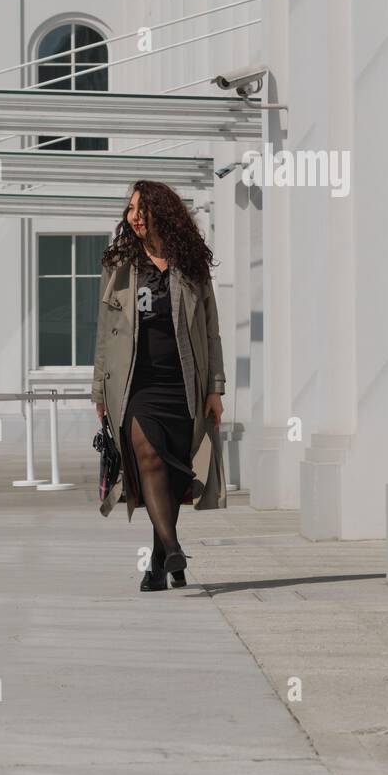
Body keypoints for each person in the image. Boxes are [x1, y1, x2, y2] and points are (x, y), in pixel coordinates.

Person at [91, 181, 226, 591]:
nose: (133, 216)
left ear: (161, 214)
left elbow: (211, 331)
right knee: (147, 457)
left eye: (141, 209)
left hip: (183, 383)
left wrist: (215, 388)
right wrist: (99, 389)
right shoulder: (119, 266)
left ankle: (158, 564)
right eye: (130, 209)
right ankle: (173, 548)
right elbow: (104, 332)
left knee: (168, 474)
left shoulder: (191, 267)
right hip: (136, 384)